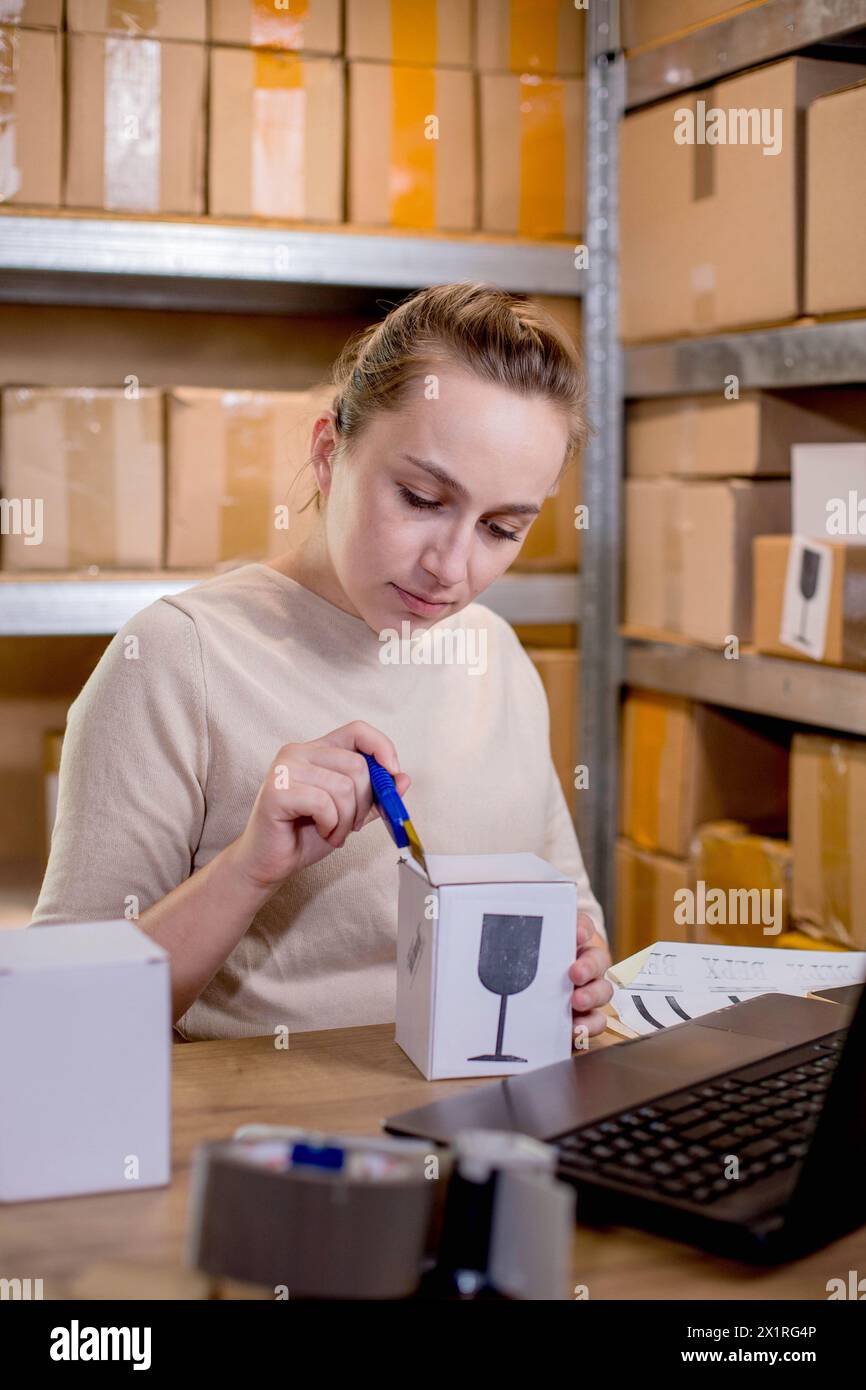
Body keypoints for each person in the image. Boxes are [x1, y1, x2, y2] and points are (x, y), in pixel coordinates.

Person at [31, 282, 613, 1042]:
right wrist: (249, 870)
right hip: (266, 1141)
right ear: (329, 452)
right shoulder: (177, 659)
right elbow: (59, 1021)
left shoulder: (496, 656)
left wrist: (583, 974)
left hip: (473, 1130)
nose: (451, 566)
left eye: (502, 529)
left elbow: (571, 912)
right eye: (422, 498)